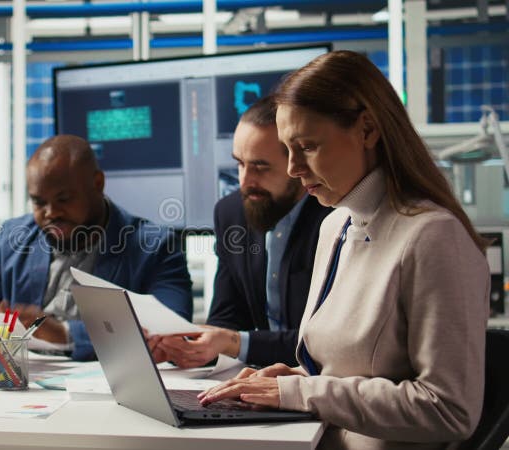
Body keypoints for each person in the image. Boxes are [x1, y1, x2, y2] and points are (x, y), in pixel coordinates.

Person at [198, 50, 490, 449]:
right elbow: (352, 378)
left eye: (307, 146)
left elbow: (448, 410)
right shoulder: (336, 223)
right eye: (287, 149)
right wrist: (293, 382)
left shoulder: (434, 237)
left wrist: (301, 393)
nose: (294, 168)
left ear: (367, 129)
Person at [0, 134, 193, 361]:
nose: (51, 213)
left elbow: (174, 331)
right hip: (20, 393)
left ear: (97, 184)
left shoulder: (155, 247)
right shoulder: (9, 241)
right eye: (39, 202)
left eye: (63, 199)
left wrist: (65, 333)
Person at [152, 96, 331, 369]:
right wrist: (194, 346)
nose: (245, 181)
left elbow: (328, 342)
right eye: (239, 163)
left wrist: (234, 343)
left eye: (260, 166)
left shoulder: (336, 219)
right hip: (260, 380)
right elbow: (228, 317)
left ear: (297, 165)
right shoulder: (231, 212)